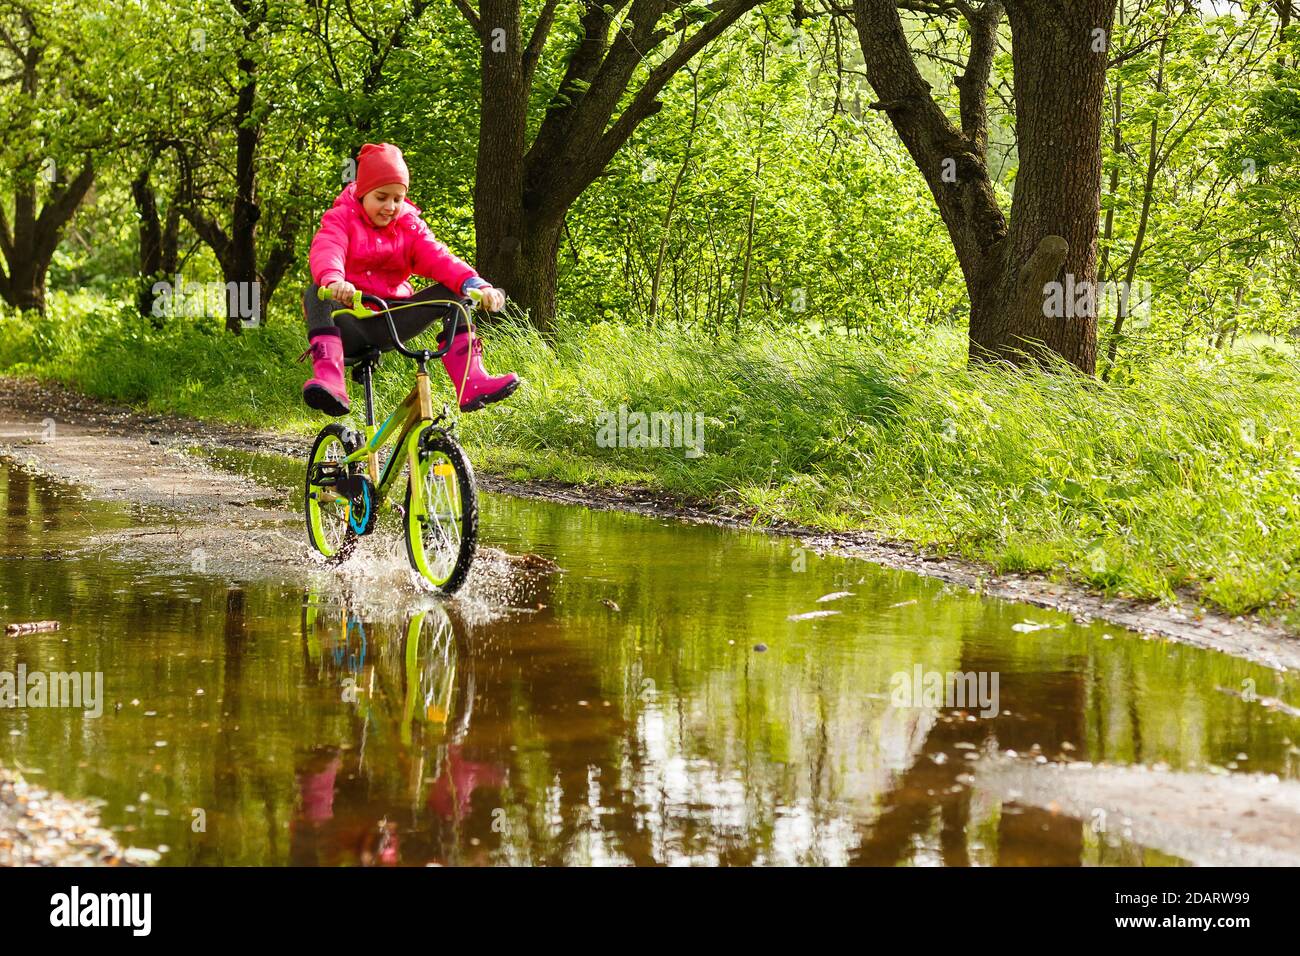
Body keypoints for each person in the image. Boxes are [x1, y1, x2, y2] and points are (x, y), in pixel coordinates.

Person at [300, 142, 520, 416]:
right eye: (381, 197)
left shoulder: (409, 226)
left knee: (455, 294)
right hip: (349, 319)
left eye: (397, 198)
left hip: (392, 318)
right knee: (315, 292)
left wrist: (474, 283)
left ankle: (471, 381)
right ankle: (331, 382)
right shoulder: (341, 218)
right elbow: (328, 248)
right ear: (362, 192)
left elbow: (439, 258)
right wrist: (334, 281)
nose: (390, 206)